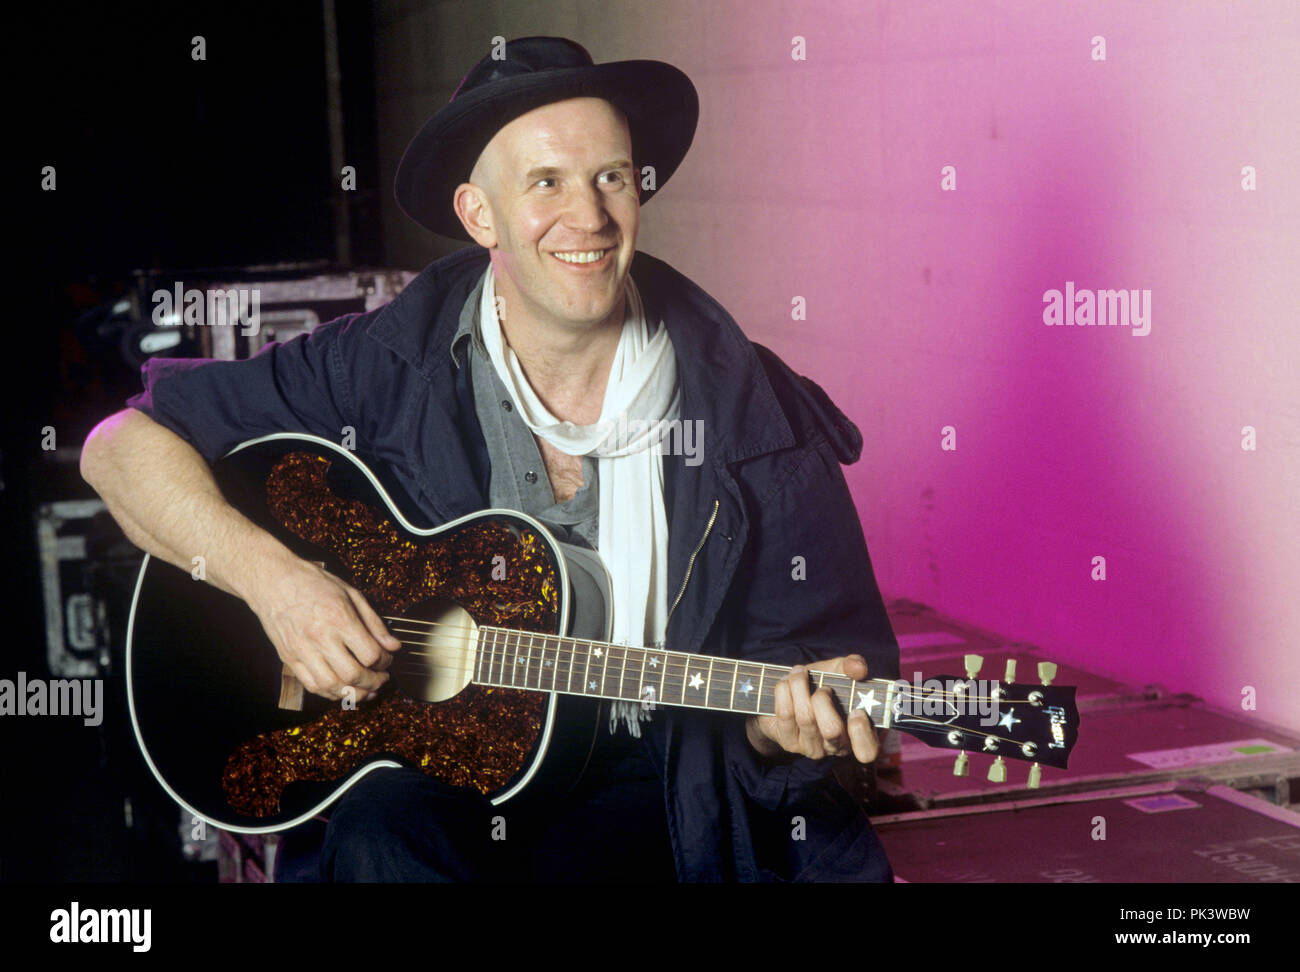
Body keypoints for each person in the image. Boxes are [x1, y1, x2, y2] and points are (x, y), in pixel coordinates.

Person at [81, 36, 900, 882]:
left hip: (653, 775)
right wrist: (278, 586)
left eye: (611, 177)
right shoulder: (383, 363)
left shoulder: (757, 414)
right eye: (546, 182)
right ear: (481, 215)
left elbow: (824, 664)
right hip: (429, 765)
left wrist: (780, 730)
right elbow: (120, 449)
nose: (588, 217)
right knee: (375, 837)